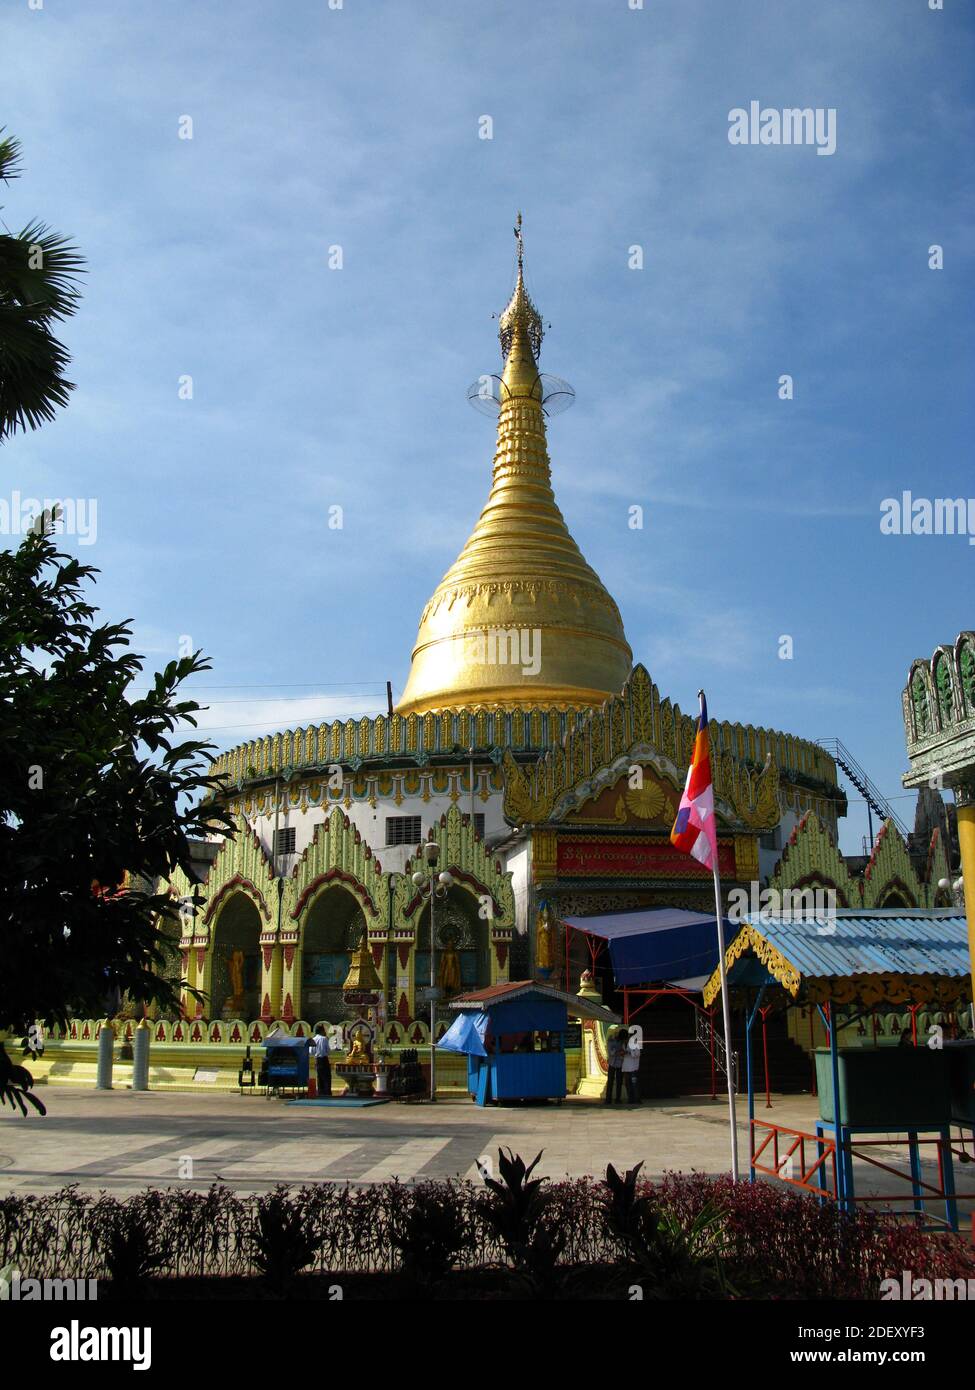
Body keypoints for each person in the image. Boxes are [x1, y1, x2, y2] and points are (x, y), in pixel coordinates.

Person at [309, 1024, 332, 1097]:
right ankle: (327, 1093)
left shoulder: (313, 1039)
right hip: (324, 1059)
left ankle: (320, 1093)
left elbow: (311, 1052)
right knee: (327, 1077)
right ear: (322, 1031)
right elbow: (328, 1051)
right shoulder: (324, 1039)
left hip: (317, 1060)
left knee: (319, 1077)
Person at [620, 1026, 641, 1105]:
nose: (624, 1041)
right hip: (626, 1068)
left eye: (625, 1039)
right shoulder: (623, 1044)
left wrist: (629, 1052)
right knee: (627, 1084)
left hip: (633, 1068)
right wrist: (622, 1054)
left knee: (634, 1084)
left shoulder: (634, 1043)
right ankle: (630, 1099)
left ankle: (637, 1099)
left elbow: (638, 1054)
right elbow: (623, 1056)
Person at [604, 1026, 624, 1105]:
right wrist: (618, 1051)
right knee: (610, 1082)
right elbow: (611, 1052)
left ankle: (618, 1099)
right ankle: (608, 1099)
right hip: (612, 1063)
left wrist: (619, 1052)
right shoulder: (611, 1040)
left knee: (619, 1082)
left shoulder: (622, 1042)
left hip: (619, 1064)